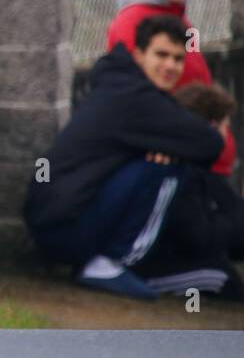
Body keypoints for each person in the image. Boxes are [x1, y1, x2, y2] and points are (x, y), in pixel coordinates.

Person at [24, 15, 225, 299]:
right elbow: (210, 143)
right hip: (67, 229)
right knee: (167, 169)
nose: (170, 66)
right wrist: (171, 150)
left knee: (163, 157)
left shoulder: (119, 86)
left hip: (55, 226)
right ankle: (115, 262)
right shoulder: (136, 100)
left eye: (178, 59)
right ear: (138, 55)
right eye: (161, 55)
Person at [106, 0, 236, 176]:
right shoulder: (132, 21)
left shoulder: (183, 22)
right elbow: (135, 96)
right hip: (176, 158)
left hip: (203, 154)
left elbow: (200, 79)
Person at [134, 82, 244, 300]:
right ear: (212, 128)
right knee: (223, 278)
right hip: (153, 269)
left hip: (180, 260)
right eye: (225, 128)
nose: (226, 137)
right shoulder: (179, 171)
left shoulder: (202, 172)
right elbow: (197, 239)